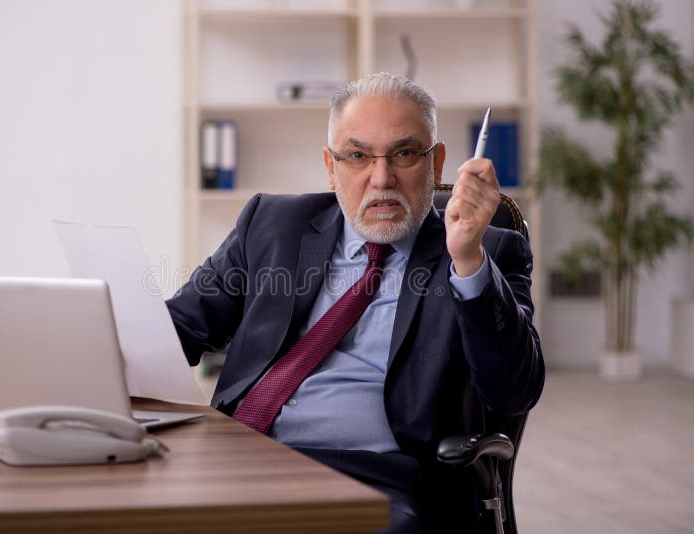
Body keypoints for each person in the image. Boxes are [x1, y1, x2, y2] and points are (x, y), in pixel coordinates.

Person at [167, 72, 544, 533]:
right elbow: (177, 329)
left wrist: (467, 258)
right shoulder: (271, 224)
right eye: (358, 155)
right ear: (331, 166)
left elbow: (514, 390)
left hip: (380, 478)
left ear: (437, 162)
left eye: (404, 154)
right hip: (243, 457)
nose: (380, 178)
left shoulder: (489, 251)